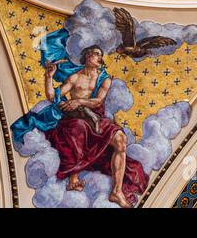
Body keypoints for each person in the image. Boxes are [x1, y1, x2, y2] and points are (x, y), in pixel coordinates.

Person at [11, 32, 147, 207]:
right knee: (78, 129)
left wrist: (79, 101)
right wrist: (49, 77)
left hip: (96, 117)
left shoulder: (104, 79)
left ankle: (116, 191)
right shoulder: (74, 78)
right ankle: (73, 177)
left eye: (101, 55)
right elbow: (54, 97)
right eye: (97, 54)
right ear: (87, 56)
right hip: (75, 118)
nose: (100, 57)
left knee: (121, 139)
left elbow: (98, 100)